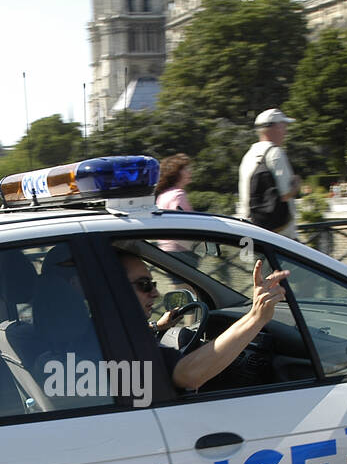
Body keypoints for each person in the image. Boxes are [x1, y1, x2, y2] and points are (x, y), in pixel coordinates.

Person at [120, 251, 288, 392]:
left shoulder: (112, 329)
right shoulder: (126, 342)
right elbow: (188, 375)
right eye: (144, 284)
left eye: (153, 283)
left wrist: (157, 326)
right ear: (115, 287)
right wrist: (256, 318)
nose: (156, 293)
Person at [238, 108, 299, 239]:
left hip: (251, 231)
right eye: (284, 126)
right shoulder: (275, 153)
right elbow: (285, 193)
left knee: (252, 259)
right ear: (275, 127)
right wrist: (296, 184)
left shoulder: (248, 155)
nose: (286, 131)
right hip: (279, 236)